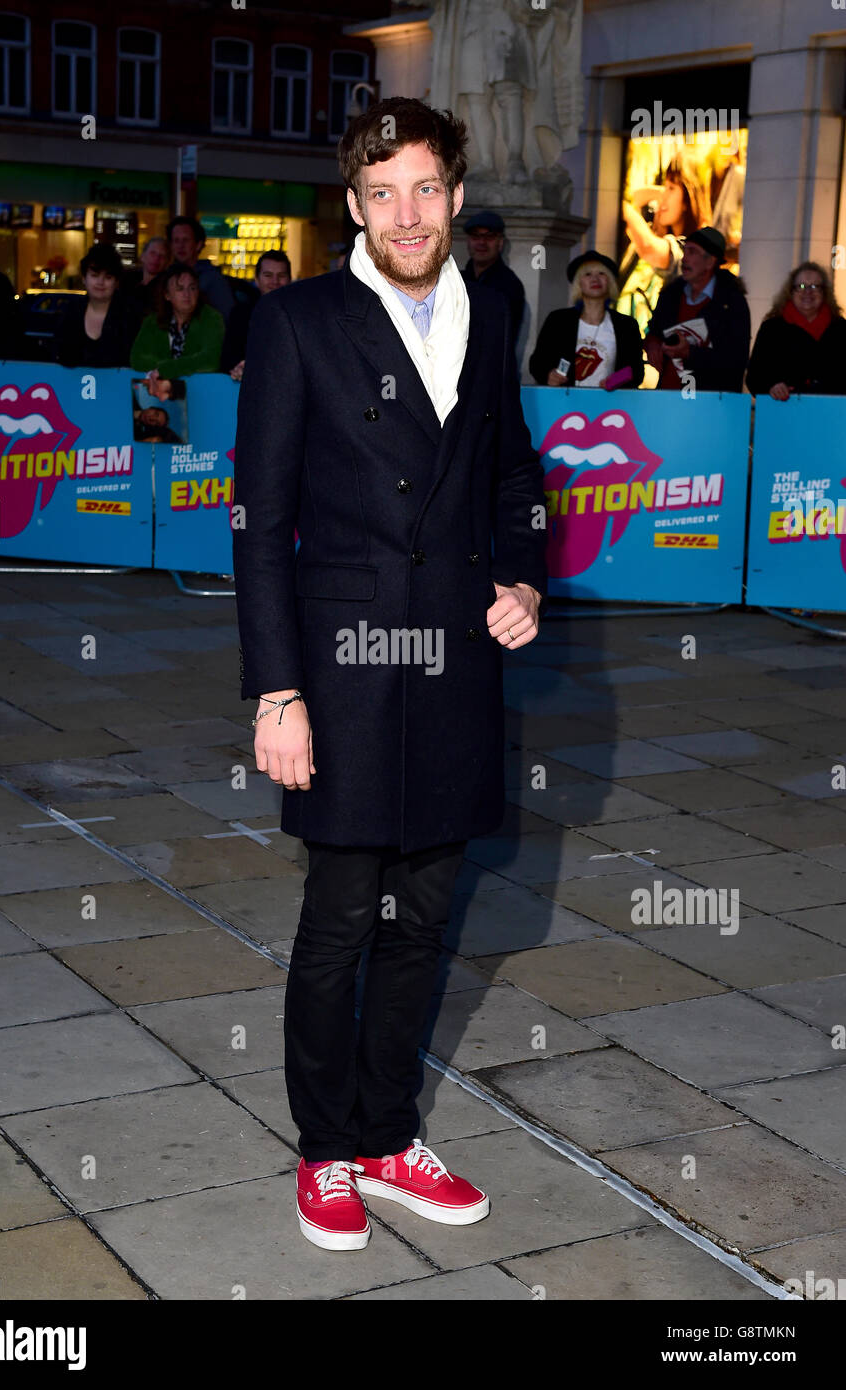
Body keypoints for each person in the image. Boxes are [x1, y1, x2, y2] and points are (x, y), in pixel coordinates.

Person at [233, 96, 547, 1253]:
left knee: (423, 918)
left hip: (456, 667)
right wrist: (276, 692)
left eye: (424, 188)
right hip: (348, 671)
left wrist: (522, 577)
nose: (404, 213)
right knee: (336, 922)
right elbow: (259, 525)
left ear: (454, 197)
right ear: (353, 204)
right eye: (381, 193)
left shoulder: (497, 303)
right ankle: (324, 1149)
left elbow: (512, 468)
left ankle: (383, 1129)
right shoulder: (301, 322)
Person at [644, 227, 750, 392]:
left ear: (710, 261)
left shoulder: (732, 303)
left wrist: (690, 353)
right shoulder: (670, 295)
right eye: (685, 251)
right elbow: (655, 329)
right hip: (667, 396)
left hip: (709, 403)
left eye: (692, 252)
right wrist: (651, 342)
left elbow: (736, 361)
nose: (684, 258)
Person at [617, 154, 709, 335]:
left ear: (688, 197)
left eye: (672, 188)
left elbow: (648, 247)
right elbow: (637, 197)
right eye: (664, 187)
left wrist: (618, 204)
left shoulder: (693, 249)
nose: (662, 197)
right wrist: (666, 194)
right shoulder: (666, 237)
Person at [529, 250, 644, 389]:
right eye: (588, 274)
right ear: (579, 283)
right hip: (565, 403)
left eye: (602, 273)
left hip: (610, 405)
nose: (595, 279)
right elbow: (537, 363)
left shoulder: (626, 325)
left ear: (610, 282)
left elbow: (636, 371)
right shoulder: (558, 321)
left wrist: (616, 380)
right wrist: (549, 375)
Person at [746, 261, 846, 399]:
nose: (808, 292)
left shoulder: (841, 329)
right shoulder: (772, 329)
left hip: (831, 413)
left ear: (824, 293)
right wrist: (772, 386)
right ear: (790, 292)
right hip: (785, 413)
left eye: (815, 286)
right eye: (801, 286)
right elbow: (754, 377)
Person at [130, 261, 225, 394]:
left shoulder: (212, 318)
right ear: (167, 295)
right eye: (180, 289)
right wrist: (177, 368)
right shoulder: (152, 321)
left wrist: (166, 370)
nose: (187, 294)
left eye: (192, 288)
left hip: (203, 394)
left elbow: (210, 360)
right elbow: (137, 358)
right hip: (159, 395)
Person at [57, 243, 143, 368]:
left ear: (116, 282)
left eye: (108, 277)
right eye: (94, 275)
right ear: (84, 278)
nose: (100, 282)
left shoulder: (130, 314)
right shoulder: (71, 311)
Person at [461, 211, 525, 356]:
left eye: (489, 237)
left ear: (500, 243)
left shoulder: (509, 285)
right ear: (468, 241)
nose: (482, 242)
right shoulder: (456, 280)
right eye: (476, 236)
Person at [221, 250, 292, 380]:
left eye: (281, 275)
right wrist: (238, 368)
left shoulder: (301, 316)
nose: (275, 281)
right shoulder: (241, 315)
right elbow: (228, 359)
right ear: (257, 280)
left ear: (290, 279)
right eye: (268, 275)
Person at [166, 215, 237, 320]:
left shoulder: (213, 280)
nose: (180, 245)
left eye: (185, 240)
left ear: (198, 244)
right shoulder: (166, 276)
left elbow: (226, 319)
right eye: (176, 241)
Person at [121, 236, 170, 313]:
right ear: (142, 256)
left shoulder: (166, 289)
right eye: (152, 253)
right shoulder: (126, 280)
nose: (156, 259)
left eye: (162, 256)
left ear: (167, 262)